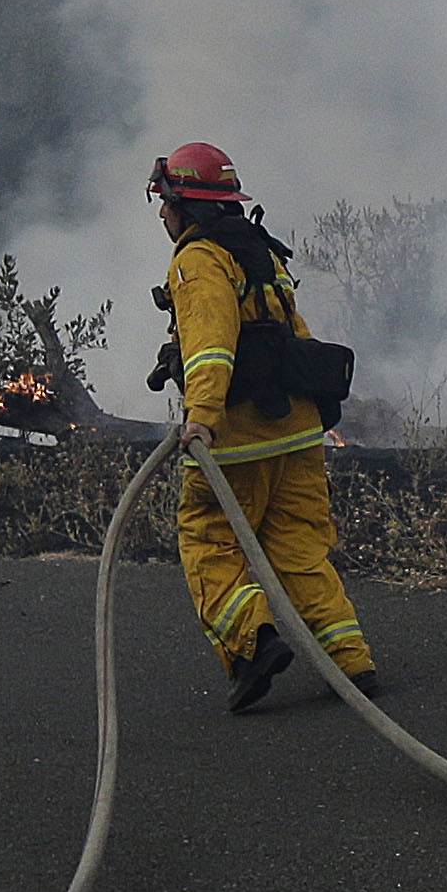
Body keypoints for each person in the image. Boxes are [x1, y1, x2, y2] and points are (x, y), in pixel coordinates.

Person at [148, 142, 381, 712]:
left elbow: (211, 347)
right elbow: (292, 332)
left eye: (166, 202)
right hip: (297, 431)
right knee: (300, 550)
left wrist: (202, 419)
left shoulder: (198, 260)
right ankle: (350, 661)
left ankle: (253, 645)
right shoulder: (262, 252)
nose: (162, 214)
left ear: (185, 203)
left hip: (238, 439)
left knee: (207, 538)